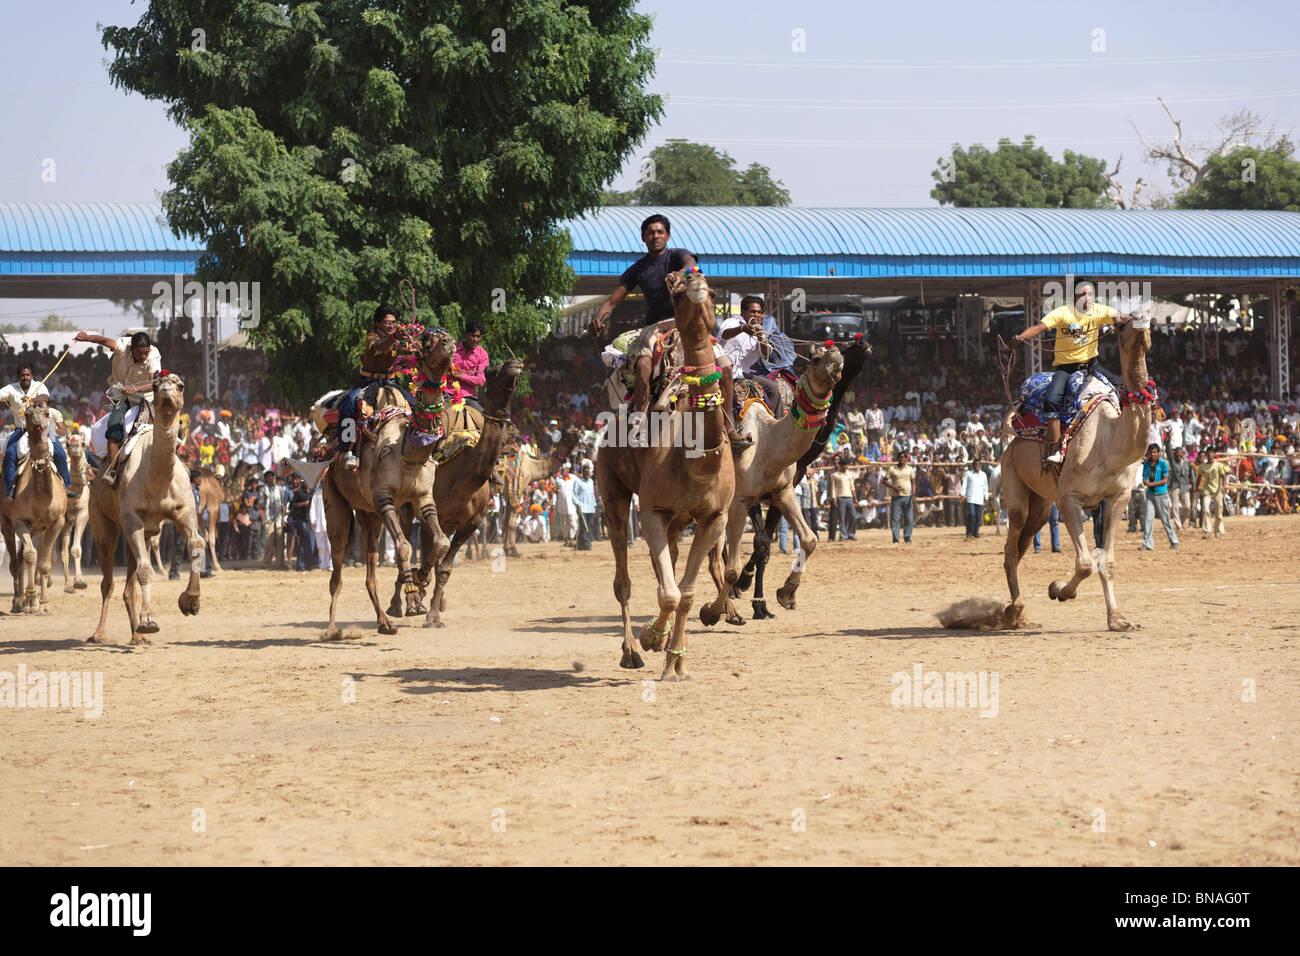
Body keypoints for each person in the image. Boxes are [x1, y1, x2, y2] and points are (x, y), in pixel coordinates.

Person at [588, 213, 749, 448]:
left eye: (660, 232)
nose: (655, 236)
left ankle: (729, 426)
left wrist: (681, 273)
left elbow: (692, 265)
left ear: (668, 235)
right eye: (650, 233)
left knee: (725, 367)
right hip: (655, 330)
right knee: (643, 365)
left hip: (688, 328)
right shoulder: (638, 269)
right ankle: (640, 421)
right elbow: (612, 302)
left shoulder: (677, 256)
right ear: (643, 238)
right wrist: (598, 318)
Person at [1012, 280, 1128, 464]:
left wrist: (1126, 320)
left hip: (1091, 365)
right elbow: (1040, 327)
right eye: (1083, 294)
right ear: (1075, 296)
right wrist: (1021, 337)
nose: (1087, 298)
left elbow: (1120, 317)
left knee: (1123, 387)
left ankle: (1122, 437)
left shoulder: (1099, 310)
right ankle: (1057, 448)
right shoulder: (1062, 313)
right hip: (1065, 368)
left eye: (1090, 294)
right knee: (1051, 401)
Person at [74, 329, 162, 483]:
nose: (143, 356)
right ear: (131, 349)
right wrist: (87, 338)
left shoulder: (153, 355)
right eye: (139, 353)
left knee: (167, 428)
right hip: (122, 396)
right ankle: (113, 471)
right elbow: (104, 341)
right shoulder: (123, 346)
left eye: (145, 353)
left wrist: (135, 388)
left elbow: (154, 383)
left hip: (146, 399)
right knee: (113, 430)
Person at [337, 304, 415, 470]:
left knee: (415, 405)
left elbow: (409, 353)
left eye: (393, 322)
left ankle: (416, 447)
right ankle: (346, 450)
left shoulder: (396, 340)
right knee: (348, 404)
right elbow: (380, 347)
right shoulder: (372, 337)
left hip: (390, 383)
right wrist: (395, 338)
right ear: (378, 323)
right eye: (387, 322)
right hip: (368, 383)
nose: (391, 325)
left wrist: (418, 345)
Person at [2, 362, 72, 500]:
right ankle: (9, 491)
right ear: (18, 376)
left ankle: (67, 487)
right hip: (20, 429)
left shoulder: (39, 385)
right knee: (9, 454)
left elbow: (45, 397)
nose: (25, 377)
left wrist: (32, 399)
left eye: (27, 375)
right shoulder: (11, 388)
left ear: (32, 375)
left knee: (60, 454)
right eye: (22, 375)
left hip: (41, 429)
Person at [1140, 443, 1179, 551]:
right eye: (1151, 452)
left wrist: (1150, 484)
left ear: (1159, 453)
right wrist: (1145, 482)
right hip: (1150, 495)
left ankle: (1174, 540)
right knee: (1148, 519)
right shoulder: (1146, 464)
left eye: (1155, 452)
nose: (1153, 454)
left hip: (1161, 495)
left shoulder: (1163, 464)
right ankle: (1148, 543)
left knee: (1165, 519)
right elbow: (1145, 478)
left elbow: (1165, 480)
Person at [448, 320, 489, 409]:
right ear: (466, 334)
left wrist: (460, 376)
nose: (475, 340)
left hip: (469, 397)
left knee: (483, 420)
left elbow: (480, 380)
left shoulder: (483, 354)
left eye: (478, 336)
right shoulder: (453, 349)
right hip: (448, 395)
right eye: (473, 336)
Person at [1196, 448, 1232, 539]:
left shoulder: (1219, 465)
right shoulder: (1203, 466)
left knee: (1219, 512)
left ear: (1214, 454)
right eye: (1208, 453)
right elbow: (1199, 478)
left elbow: (1224, 477)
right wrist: (1196, 490)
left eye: (1211, 452)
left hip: (1217, 491)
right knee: (1205, 509)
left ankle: (1218, 531)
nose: (1209, 454)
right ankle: (1207, 531)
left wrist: (1223, 487)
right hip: (1207, 490)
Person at [885, 451, 916, 544]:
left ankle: (907, 537)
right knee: (895, 518)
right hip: (896, 497)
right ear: (897, 458)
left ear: (906, 459)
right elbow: (885, 481)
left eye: (904, 457)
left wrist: (913, 494)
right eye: (900, 457)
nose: (902, 459)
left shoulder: (909, 469)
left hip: (907, 496)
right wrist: (893, 487)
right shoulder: (892, 469)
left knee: (909, 518)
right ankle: (896, 539)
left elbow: (913, 482)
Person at [261, 470, 289, 570]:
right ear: (265, 479)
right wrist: (263, 500)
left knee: (280, 541)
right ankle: (266, 562)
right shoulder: (263, 490)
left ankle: (280, 562)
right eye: (267, 477)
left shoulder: (280, 489)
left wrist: (282, 518)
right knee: (269, 541)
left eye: (271, 477)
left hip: (278, 518)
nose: (270, 479)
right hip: (268, 518)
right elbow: (260, 504)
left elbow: (283, 504)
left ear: (274, 478)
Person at [1167, 446, 1193, 532]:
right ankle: (1179, 526)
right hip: (1174, 486)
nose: (1178, 455)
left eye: (1180, 454)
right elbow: (1169, 453)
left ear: (1183, 454)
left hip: (1185, 486)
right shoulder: (1173, 462)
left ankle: (1182, 519)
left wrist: (1194, 485)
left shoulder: (1187, 462)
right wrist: (1168, 442)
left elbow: (1191, 474)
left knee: (1187, 506)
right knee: (1175, 507)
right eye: (1177, 454)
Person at [830, 458, 857, 541]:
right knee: (842, 518)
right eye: (845, 465)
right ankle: (843, 536)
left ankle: (851, 534)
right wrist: (834, 499)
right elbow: (833, 488)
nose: (846, 466)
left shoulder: (849, 475)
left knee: (853, 516)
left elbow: (852, 487)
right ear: (841, 466)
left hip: (849, 497)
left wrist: (855, 498)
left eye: (847, 464)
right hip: (840, 498)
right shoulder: (835, 475)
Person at [962, 458, 989, 540]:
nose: (977, 466)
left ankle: (975, 533)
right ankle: (969, 532)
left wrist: (986, 497)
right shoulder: (968, 474)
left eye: (978, 464)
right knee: (972, 515)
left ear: (980, 466)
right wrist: (963, 494)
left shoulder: (983, 475)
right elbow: (964, 484)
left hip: (980, 498)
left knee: (978, 517)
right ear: (973, 466)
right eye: (975, 464)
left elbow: (985, 486)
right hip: (971, 497)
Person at [573, 462, 596, 551]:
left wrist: (594, 507)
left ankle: (580, 545)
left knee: (588, 527)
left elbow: (592, 495)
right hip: (582, 508)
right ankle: (587, 544)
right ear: (583, 472)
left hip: (590, 508)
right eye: (585, 472)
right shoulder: (578, 481)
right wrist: (577, 504)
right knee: (584, 526)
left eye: (588, 472)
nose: (587, 473)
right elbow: (574, 495)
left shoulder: (591, 482)